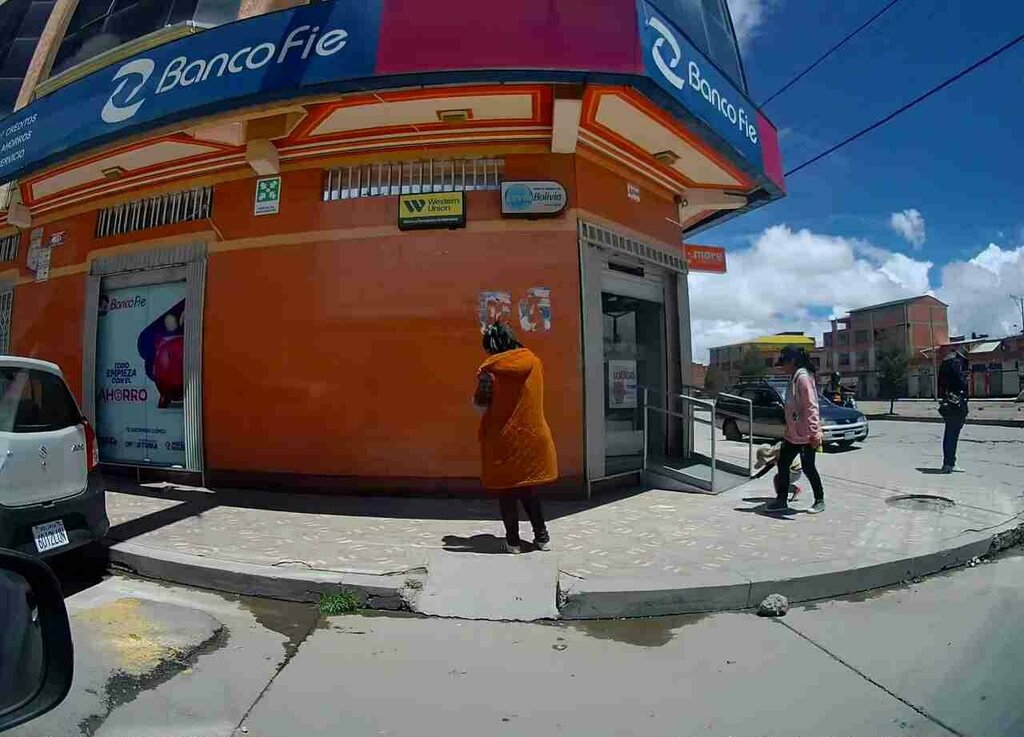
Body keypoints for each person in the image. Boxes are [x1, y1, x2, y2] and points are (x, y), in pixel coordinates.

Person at [474, 322, 558, 553]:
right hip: (533, 436)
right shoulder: (534, 362)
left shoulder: (489, 371)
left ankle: (513, 542)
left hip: (504, 438)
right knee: (529, 490)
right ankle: (542, 538)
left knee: (507, 491)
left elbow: (481, 402)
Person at [767, 345, 825, 514]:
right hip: (794, 434)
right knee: (783, 462)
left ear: (792, 361)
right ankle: (781, 500)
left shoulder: (803, 378)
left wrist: (815, 432)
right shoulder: (793, 377)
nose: (782, 366)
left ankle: (819, 500)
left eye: (783, 362)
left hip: (806, 434)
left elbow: (811, 406)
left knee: (808, 467)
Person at [937, 348, 969, 473]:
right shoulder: (955, 364)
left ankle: (948, 462)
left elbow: (941, 385)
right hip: (956, 404)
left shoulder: (944, 364)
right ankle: (949, 463)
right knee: (952, 434)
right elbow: (960, 383)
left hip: (947, 403)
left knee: (949, 433)